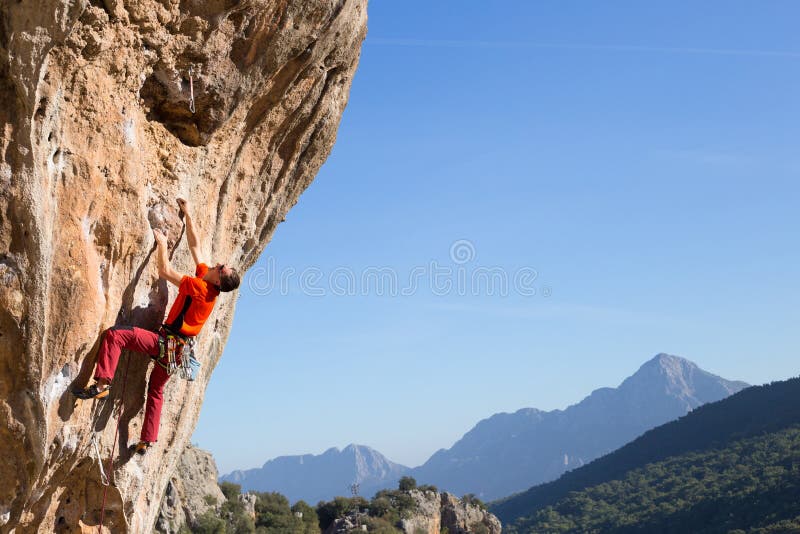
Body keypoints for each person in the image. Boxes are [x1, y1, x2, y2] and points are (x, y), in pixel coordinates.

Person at [73, 198, 241, 454]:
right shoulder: (208, 282)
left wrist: (161, 244)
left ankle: (102, 385)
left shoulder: (200, 288)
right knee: (156, 391)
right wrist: (189, 215)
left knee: (116, 336)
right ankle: (147, 439)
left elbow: (164, 271)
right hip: (176, 351)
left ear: (218, 279)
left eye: (220, 268)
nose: (217, 264)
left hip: (164, 343)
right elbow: (195, 245)